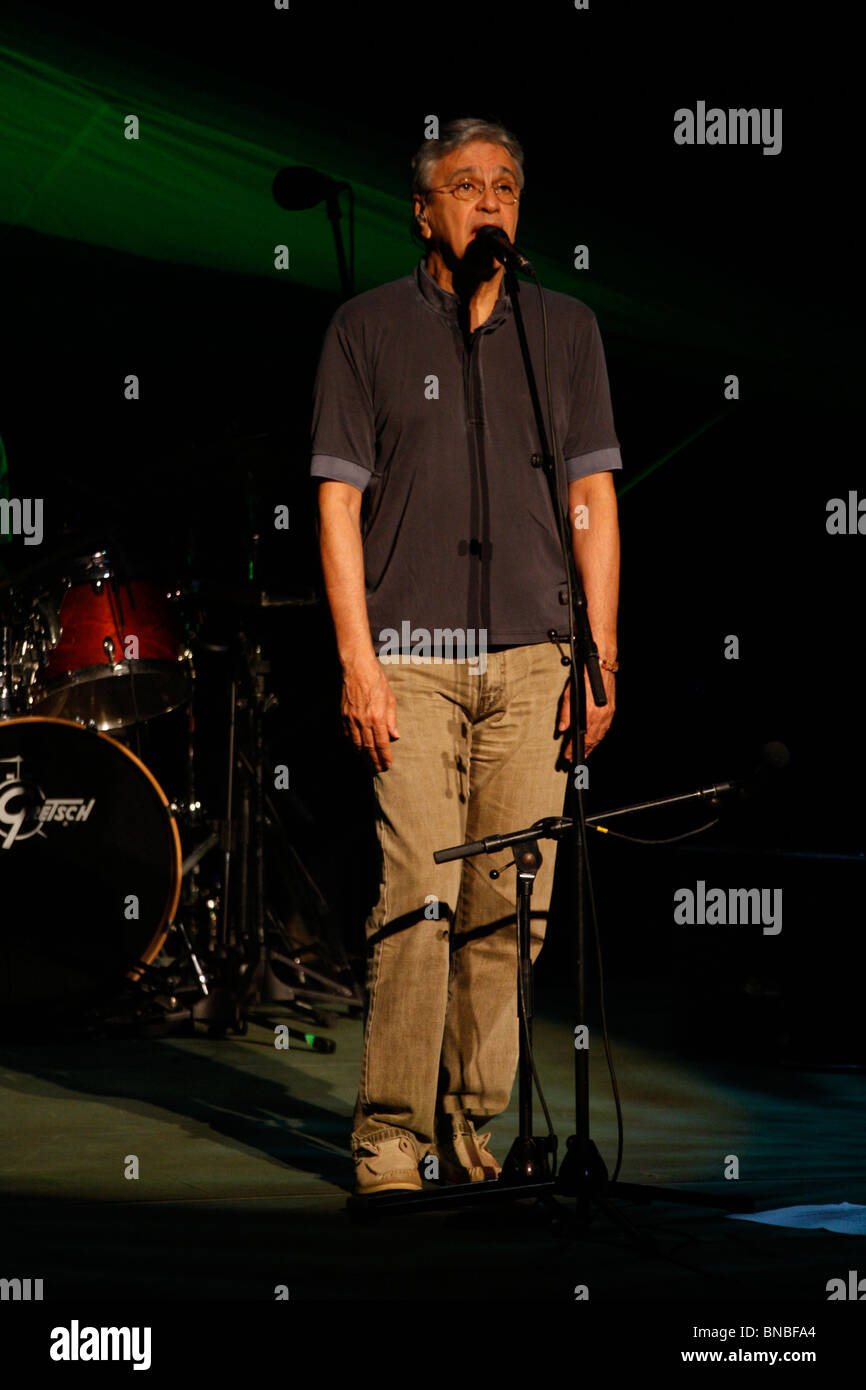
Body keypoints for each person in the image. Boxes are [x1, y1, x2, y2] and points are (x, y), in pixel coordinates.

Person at [311, 117, 621, 1195]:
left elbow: (590, 497)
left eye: (504, 185)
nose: (487, 200)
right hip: (415, 659)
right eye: (464, 184)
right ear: (424, 210)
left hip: (536, 656)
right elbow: (337, 501)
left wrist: (602, 653)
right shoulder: (365, 329)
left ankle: (469, 1120)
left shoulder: (562, 331)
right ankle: (391, 1135)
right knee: (419, 897)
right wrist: (357, 658)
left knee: (512, 906)